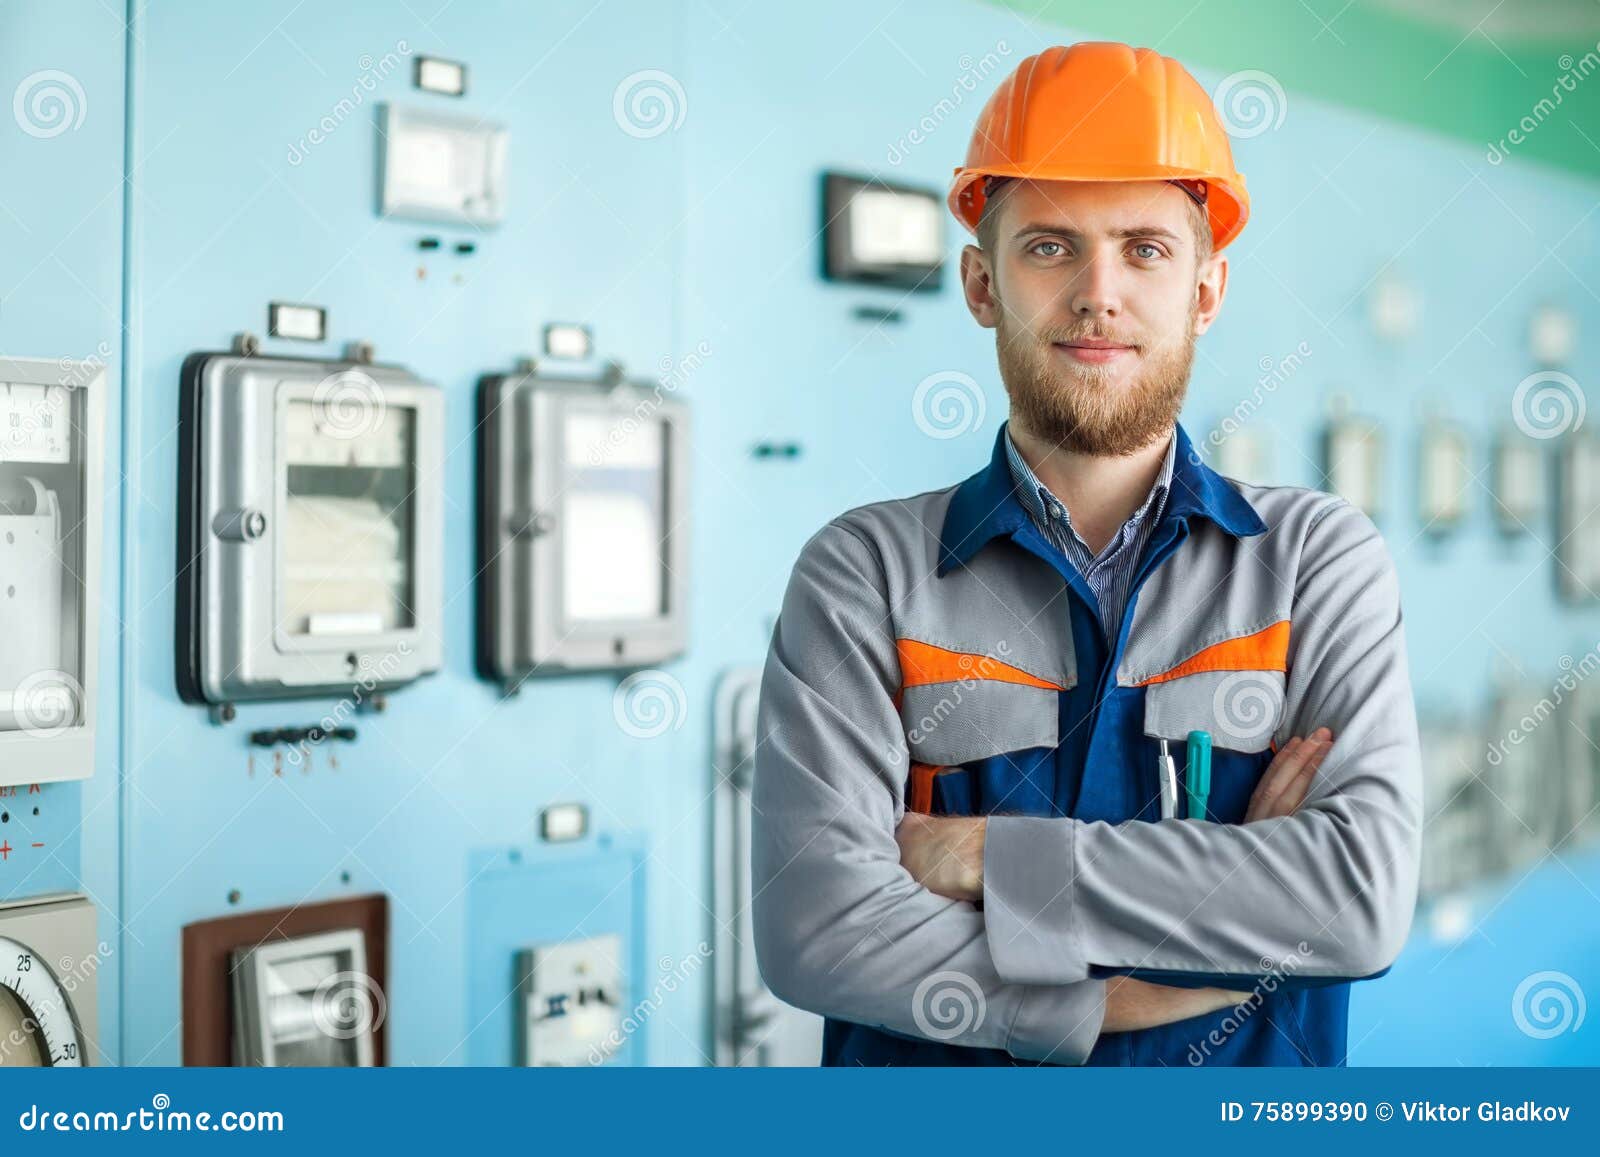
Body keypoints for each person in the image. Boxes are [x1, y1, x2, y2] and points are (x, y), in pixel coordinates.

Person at [750, 42, 1421, 1067]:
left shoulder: (1314, 563)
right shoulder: (865, 575)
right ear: (981, 283)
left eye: (1145, 248)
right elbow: (817, 929)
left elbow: (1355, 901)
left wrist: (979, 856)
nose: (1098, 294)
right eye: (1049, 247)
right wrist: (1149, 981)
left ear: (1206, 289)